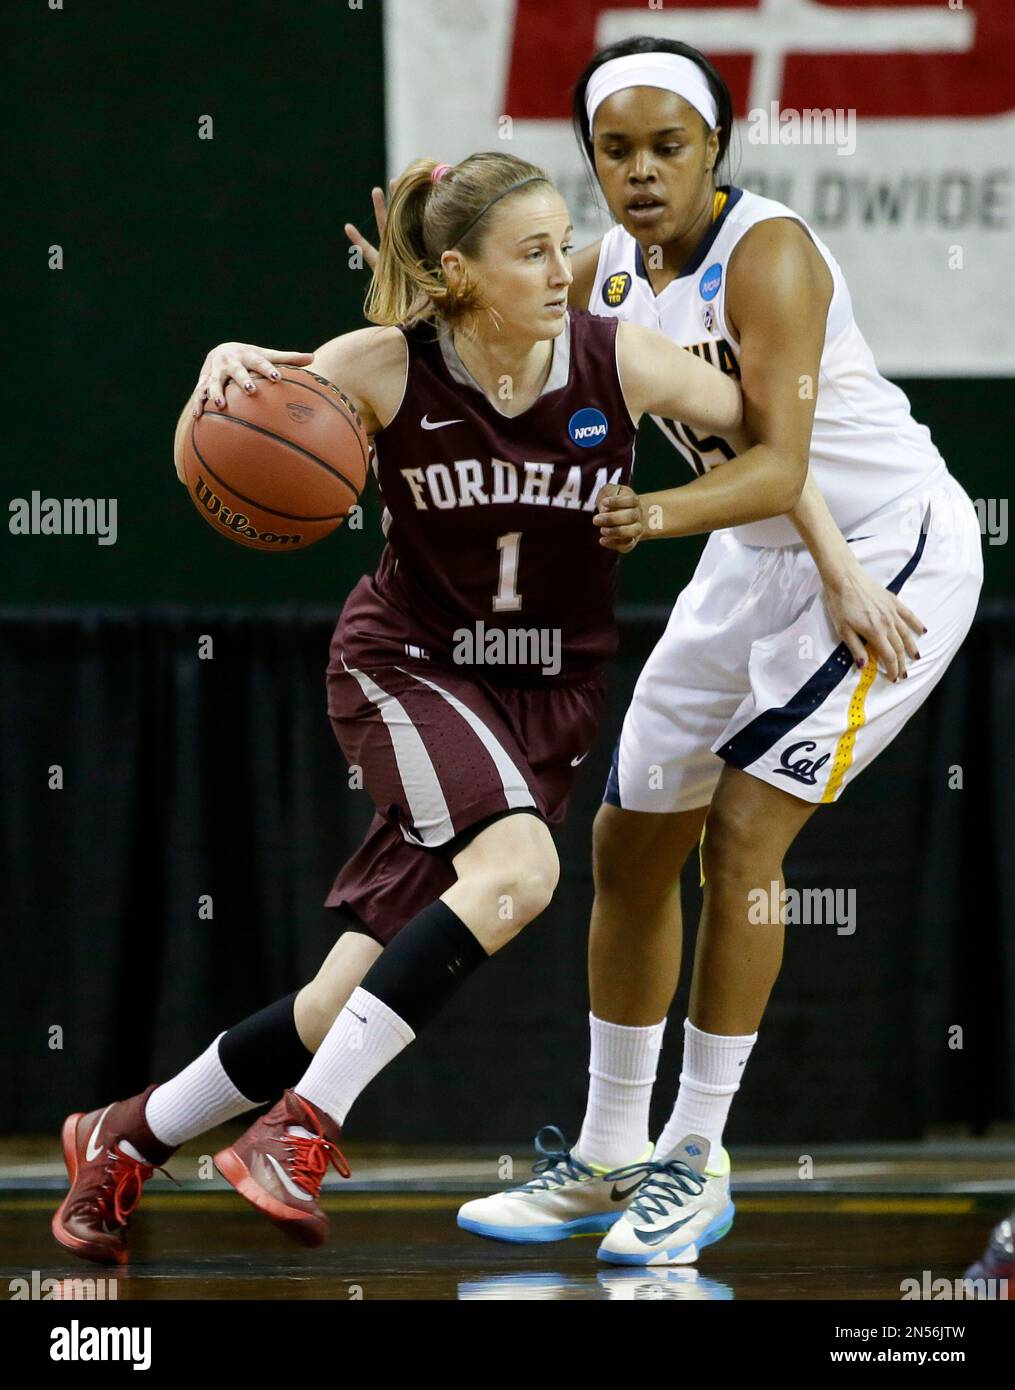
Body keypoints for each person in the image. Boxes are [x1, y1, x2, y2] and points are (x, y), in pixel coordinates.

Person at [53, 149, 766, 1263]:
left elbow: (780, 435)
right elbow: (265, 389)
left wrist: (841, 546)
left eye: (558, 245)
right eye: (530, 250)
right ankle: (300, 1129)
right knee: (522, 872)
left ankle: (125, 1132)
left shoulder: (620, 357)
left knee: (337, 1000)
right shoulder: (384, 364)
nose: (557, 267)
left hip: (549, 697)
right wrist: (218, 355)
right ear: (460, 270)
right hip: (409, 669)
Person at [445, 39, 982, 1265]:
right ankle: (611, 1146)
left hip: (888, 550)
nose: (640, 172)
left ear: (715, 149)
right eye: (615, 151)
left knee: (745, 828)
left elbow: (784, 466)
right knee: (630, 836)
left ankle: (696, 1156)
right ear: (591, 161)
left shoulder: (772, 251)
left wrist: (654, 516)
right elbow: (490, 329)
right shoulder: (612, 273)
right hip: (754, 558)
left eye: (665, 148)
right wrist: (417, 284)